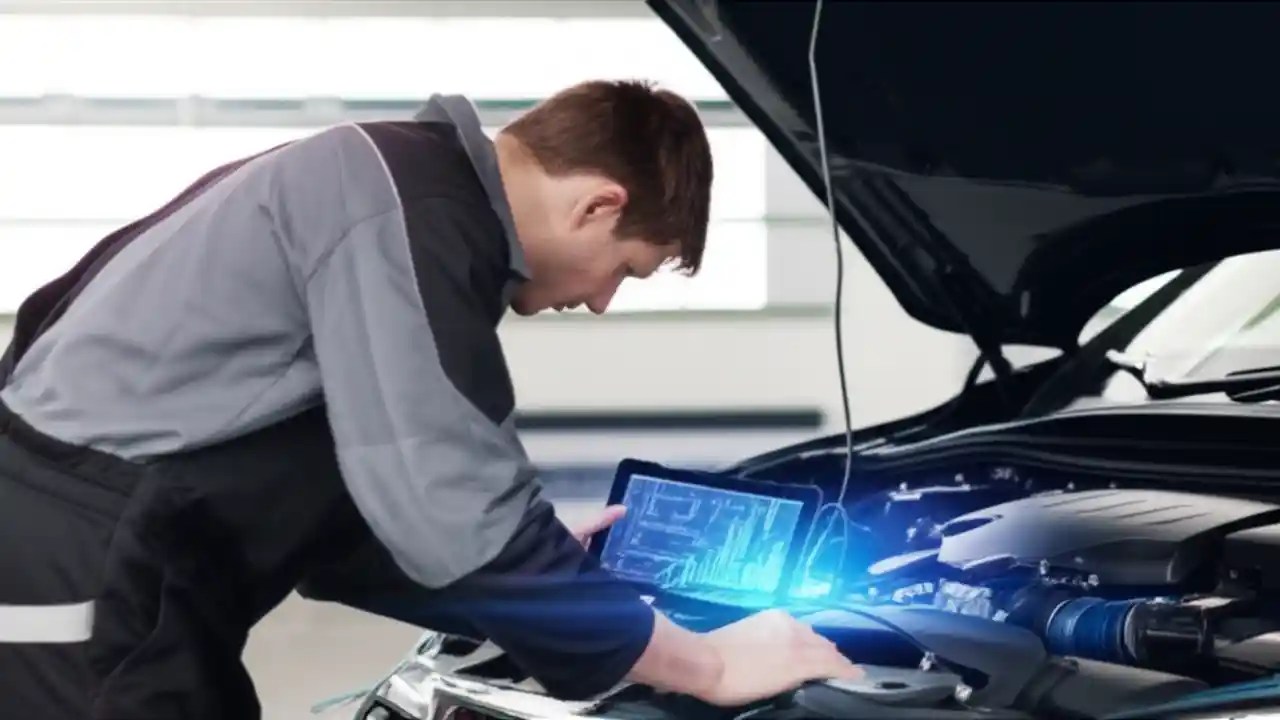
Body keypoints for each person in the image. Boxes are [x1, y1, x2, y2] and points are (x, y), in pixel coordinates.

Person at [0, 80, 862, 719]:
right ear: (600, 205)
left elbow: (364, 503)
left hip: (101, 549)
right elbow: (449, 508)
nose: (601, 301)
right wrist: (710, 664)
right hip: (85, 570)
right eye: (625, 271)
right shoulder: (409, 212)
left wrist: (537, 564)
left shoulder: (389, 178)